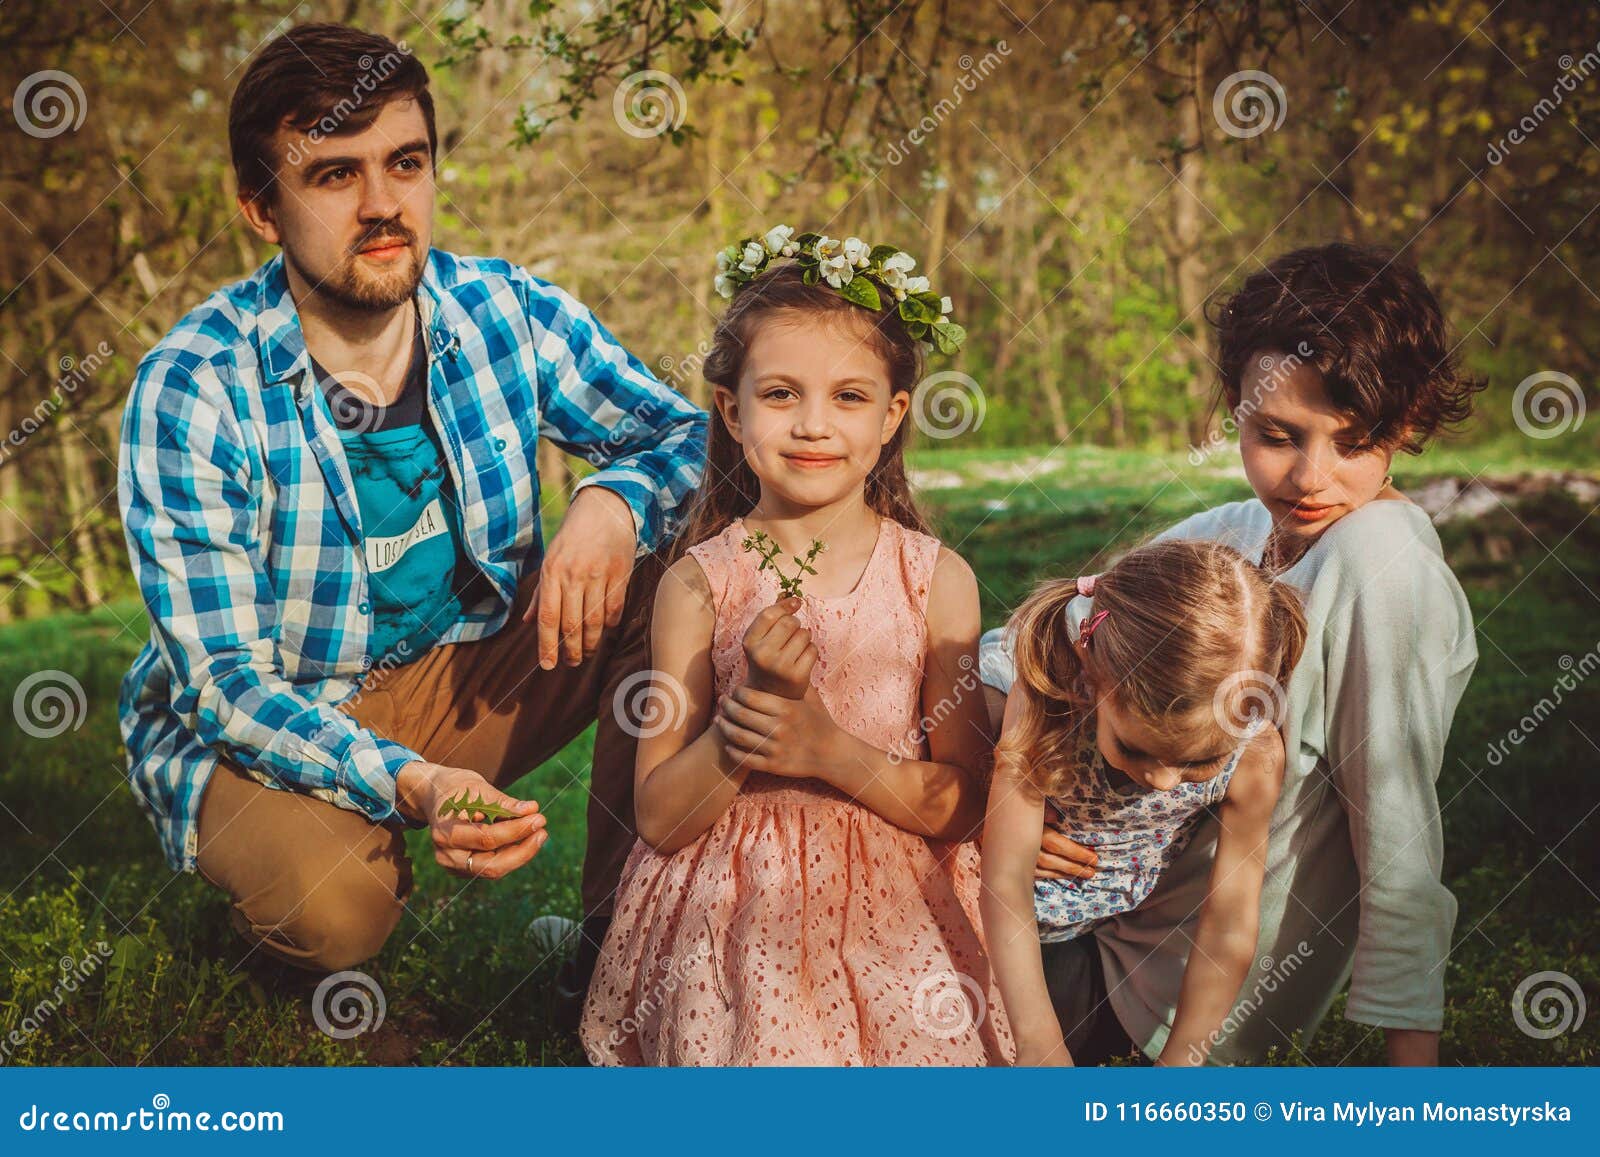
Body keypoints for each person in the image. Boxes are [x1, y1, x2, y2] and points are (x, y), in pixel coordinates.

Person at [115, 23, 706, 997]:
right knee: (337, 913)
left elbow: (690, 439)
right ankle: (306, 849)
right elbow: (223, 680)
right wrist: (415, 781)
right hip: (280, 706)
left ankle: (618, 939)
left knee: (703, 550)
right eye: (334, 175)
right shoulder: (196, 385)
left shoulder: (503, 308)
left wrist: (613, 498)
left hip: (473, 661)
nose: (384, 203)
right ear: (262, 208)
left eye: (405, 162)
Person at [979, 242, 1483, 1065]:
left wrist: (1412, 1074)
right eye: (1277, 435)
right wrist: (994, 803)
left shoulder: (1382, 565)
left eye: (1353, 441)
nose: (1310, 477)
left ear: (1409, 422)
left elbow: (1396, 819)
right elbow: (1029, 647)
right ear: (1232, 406)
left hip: (1170, 996)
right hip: (1092, 922)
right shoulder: (1238, 530)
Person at [580, 228, 1012, 1064]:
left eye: (850, 397)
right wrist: (753, 718)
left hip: (895, 901)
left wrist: (828, 749)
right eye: (781, 394)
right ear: (730, 409)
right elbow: (663, 818)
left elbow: (965, 802)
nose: (814, 424)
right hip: (735, 905)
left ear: (892, 416)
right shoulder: (700, 585)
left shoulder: (935, 579)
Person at [982, 542, 1306, 1065]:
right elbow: (1004, 883)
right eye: (1135, 748)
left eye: (1198, 764)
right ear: (1093, 677)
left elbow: (1228, 921)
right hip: (1001, 929)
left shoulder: (1254, 755)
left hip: (1091, 933)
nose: (1161, 781)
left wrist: (1184, 1061)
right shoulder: (1046, 702)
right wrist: (1039, 1043)